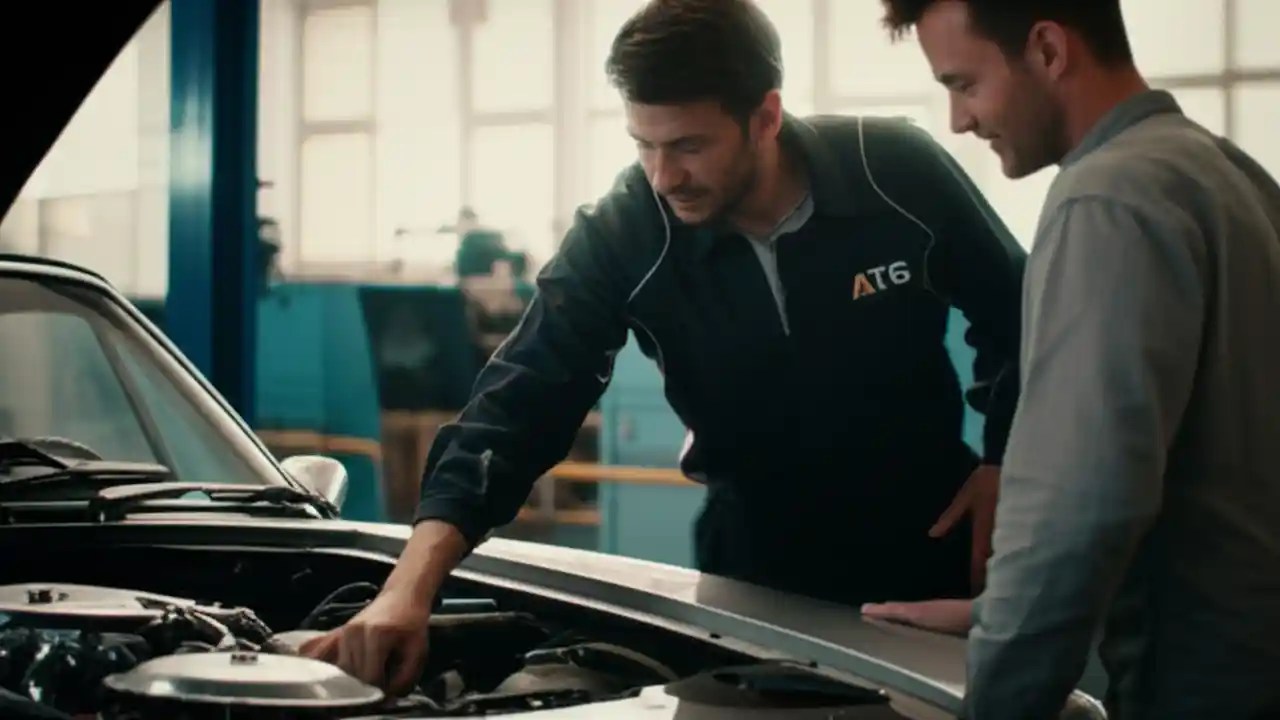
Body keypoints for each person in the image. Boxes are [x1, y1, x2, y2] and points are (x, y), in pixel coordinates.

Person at [301, 0, 1026, 696]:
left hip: (927, 556)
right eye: (643, 145)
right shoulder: (628, 229)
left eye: (688, 146)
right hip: (752, 577)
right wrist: (407, 591)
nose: (662, 175)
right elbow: (519, 399)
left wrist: (1003, 456)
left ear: (766, 116)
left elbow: (1021, 314)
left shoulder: (892, 170)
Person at [863, 1, 1280, 718]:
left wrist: (1000, 693)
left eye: (964, 84)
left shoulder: (1106, 197)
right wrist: (993, 616)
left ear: (1049, 50)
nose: (960, 121)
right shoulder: (1231, 176)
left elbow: (1079, 510)